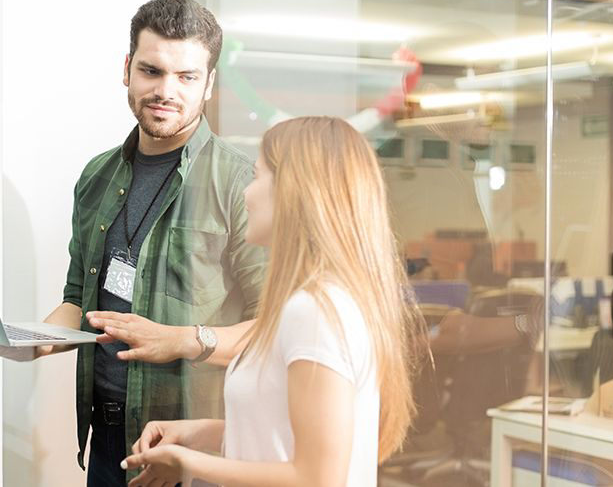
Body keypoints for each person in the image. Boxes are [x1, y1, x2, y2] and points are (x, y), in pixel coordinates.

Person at [0, 0, 267, 486]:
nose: (166, 90)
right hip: (106, 441)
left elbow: (272, 330)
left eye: (187, 77)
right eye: (151, 71)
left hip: (191, 448)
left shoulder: (241, 184)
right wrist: (27, 343)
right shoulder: (97, 176)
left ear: (209, 84)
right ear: (127, 68)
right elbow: (77, 302)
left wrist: (181, 341)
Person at [114, 116, 428, 486]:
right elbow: (283, 437)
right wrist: (200, 433)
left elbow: (317, 479)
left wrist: (188, 463)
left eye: (258, 177)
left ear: (295, 191)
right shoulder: (313, 303)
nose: (247, 193)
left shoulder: (315, 311)